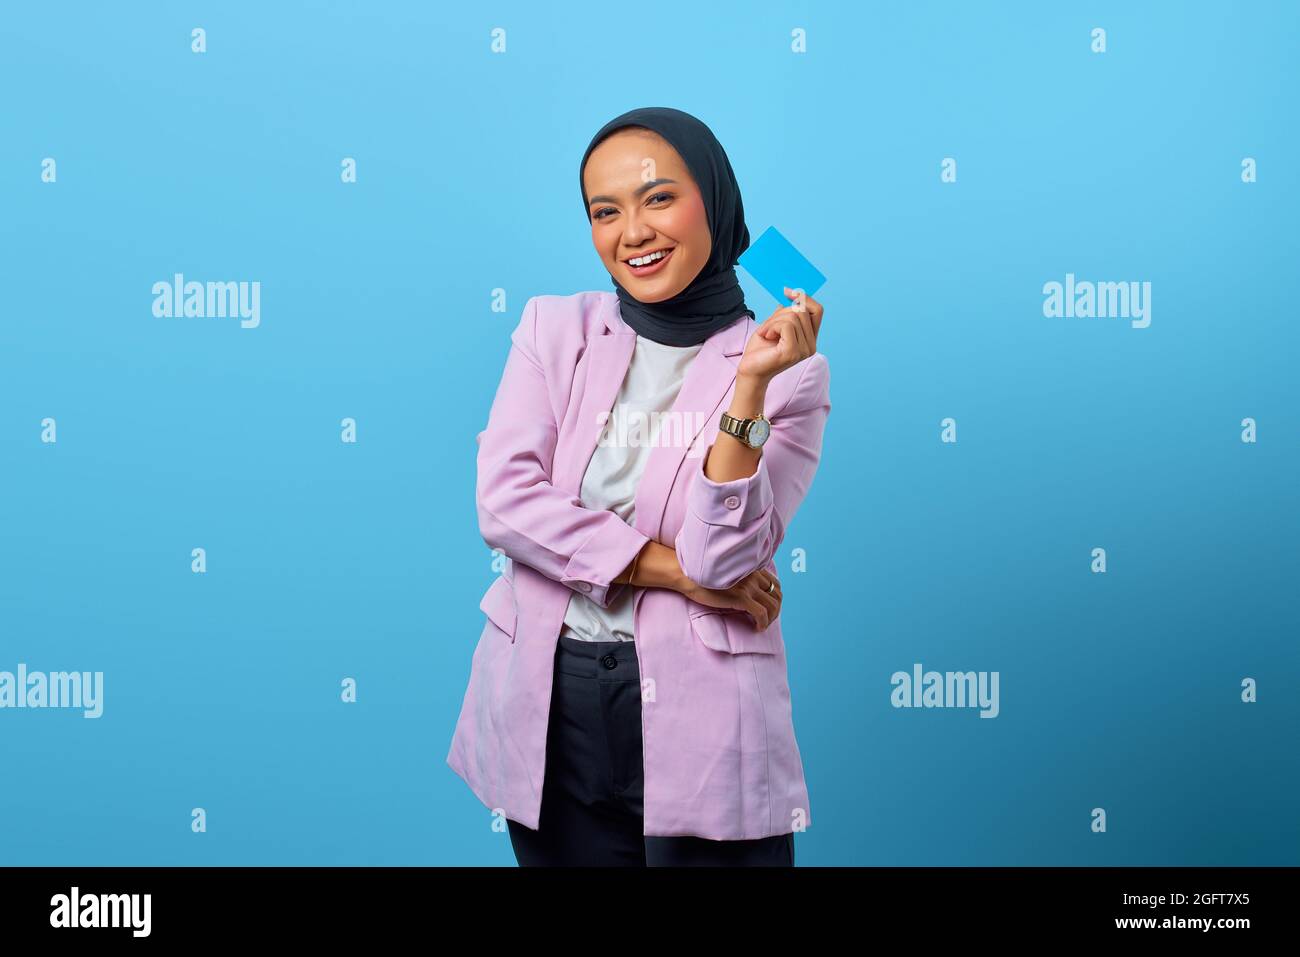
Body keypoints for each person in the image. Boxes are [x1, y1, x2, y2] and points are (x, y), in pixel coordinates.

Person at [446, 106, 831, 866]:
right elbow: (504, 499)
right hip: (553, 698)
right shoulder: (553, 329)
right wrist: (670, 569)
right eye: (605, 211)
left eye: (658, 198)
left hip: (703, 703)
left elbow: (725, 560)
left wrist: (749, 389)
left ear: (713, 201)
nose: (633, 232)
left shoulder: (790, 375)